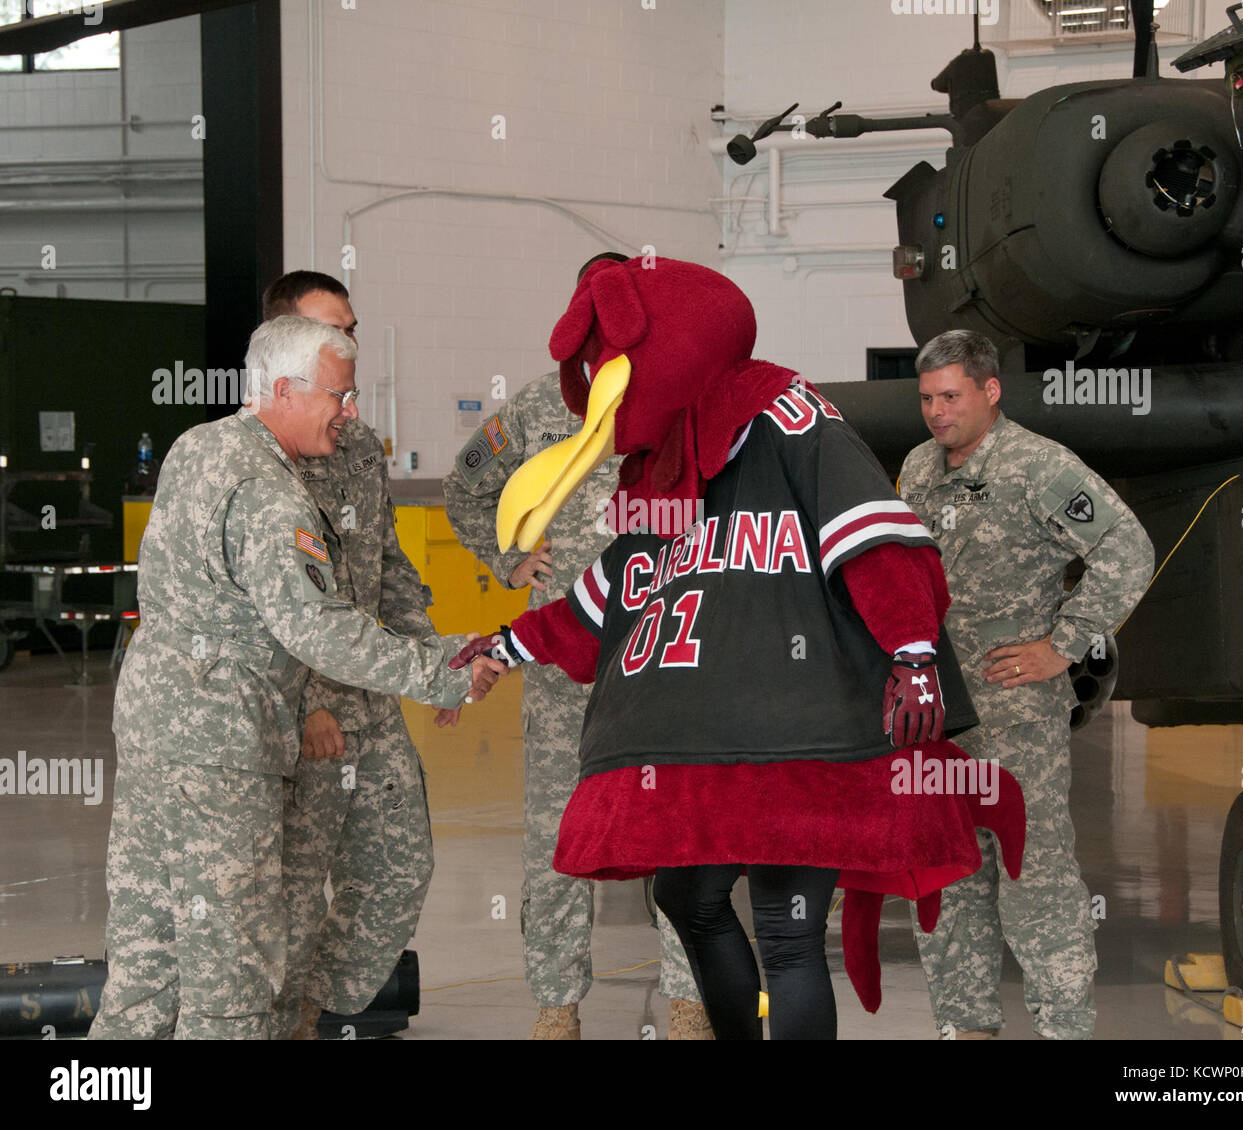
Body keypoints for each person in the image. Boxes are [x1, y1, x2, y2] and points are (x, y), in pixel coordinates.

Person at [451, 258, 1017, 1039]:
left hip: (802, 735)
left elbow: (878, 540)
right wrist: (503, 645)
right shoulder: (663, 468)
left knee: (787, 934)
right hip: (699, 742)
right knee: (688, 898)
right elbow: (605, 599)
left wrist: (914, 653)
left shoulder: (789, 414)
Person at [90, 316, 504, 1040]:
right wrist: (439, 674)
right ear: (282, 388)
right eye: (338, 398)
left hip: (154, 725)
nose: (349, 415)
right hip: (221, 744)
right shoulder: (271, 493)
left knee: (144, 965)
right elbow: (317, 627)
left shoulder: (198, 446)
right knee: (233, 978)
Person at [442, 252, 710, 1040]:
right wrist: (506, 560)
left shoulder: (679, 396)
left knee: (677, 826)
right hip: (562, 665)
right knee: (558, 832)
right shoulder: (535, 406)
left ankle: (691, 999)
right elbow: (466, 485)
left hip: (666, 655)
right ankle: (556, 1004)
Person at [898, 329, 1153, 1040]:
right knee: (946, 879)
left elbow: (1127, 550)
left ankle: (1065, 1028)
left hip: (1015, 718)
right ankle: (964, 1026)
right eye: (926, 399)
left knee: (1032, 878)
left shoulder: (1039, 466)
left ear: (990, 390)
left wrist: (1063, 647)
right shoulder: (918, 467)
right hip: (937, 717)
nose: (937, 413)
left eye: (950, 397)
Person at [253, 271, 448, 1040]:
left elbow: (385, 565)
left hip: (372, 693)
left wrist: (435, 662)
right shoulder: (262, 453)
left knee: (401, 867)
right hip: (306, 708)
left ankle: (314, 1010)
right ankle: (277, 1021)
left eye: (353, 329)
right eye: (332, 331)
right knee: (295, 894)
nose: (348, 345)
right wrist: (310, 703)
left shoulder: (358, 441)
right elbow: (267, 606)